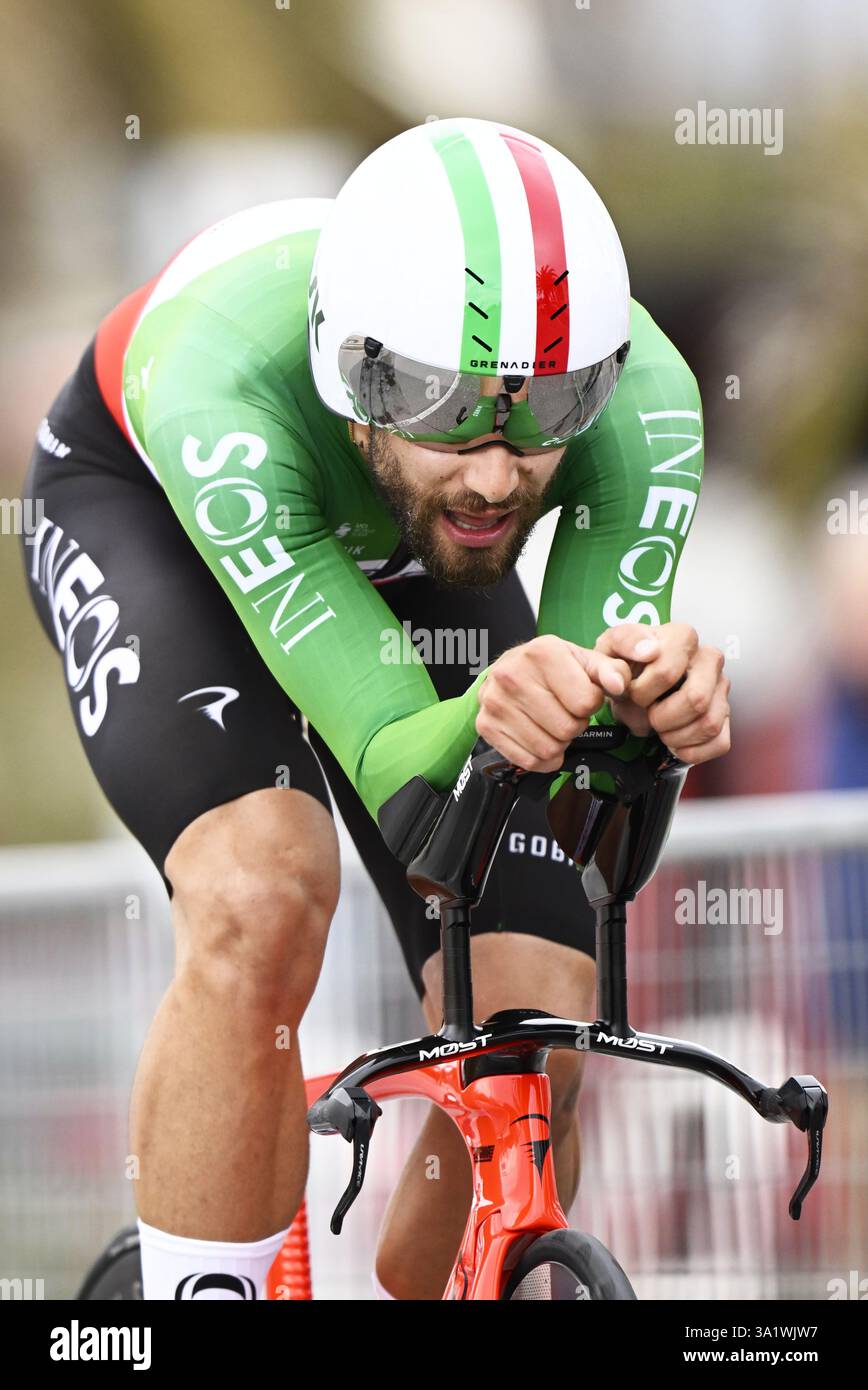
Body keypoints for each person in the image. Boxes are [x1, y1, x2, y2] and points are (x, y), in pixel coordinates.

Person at [20, 117, 729, 1300]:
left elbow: (587, 805)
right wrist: (516, 701)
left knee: (539, 1011)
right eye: (449, 410)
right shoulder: (223, 388)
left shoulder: (643, 400)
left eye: (543, 416)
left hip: (410, 548)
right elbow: (398, 770)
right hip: (158, 517)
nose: (498, 473)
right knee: (265, 887)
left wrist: (649, 713)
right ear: (359, 379)